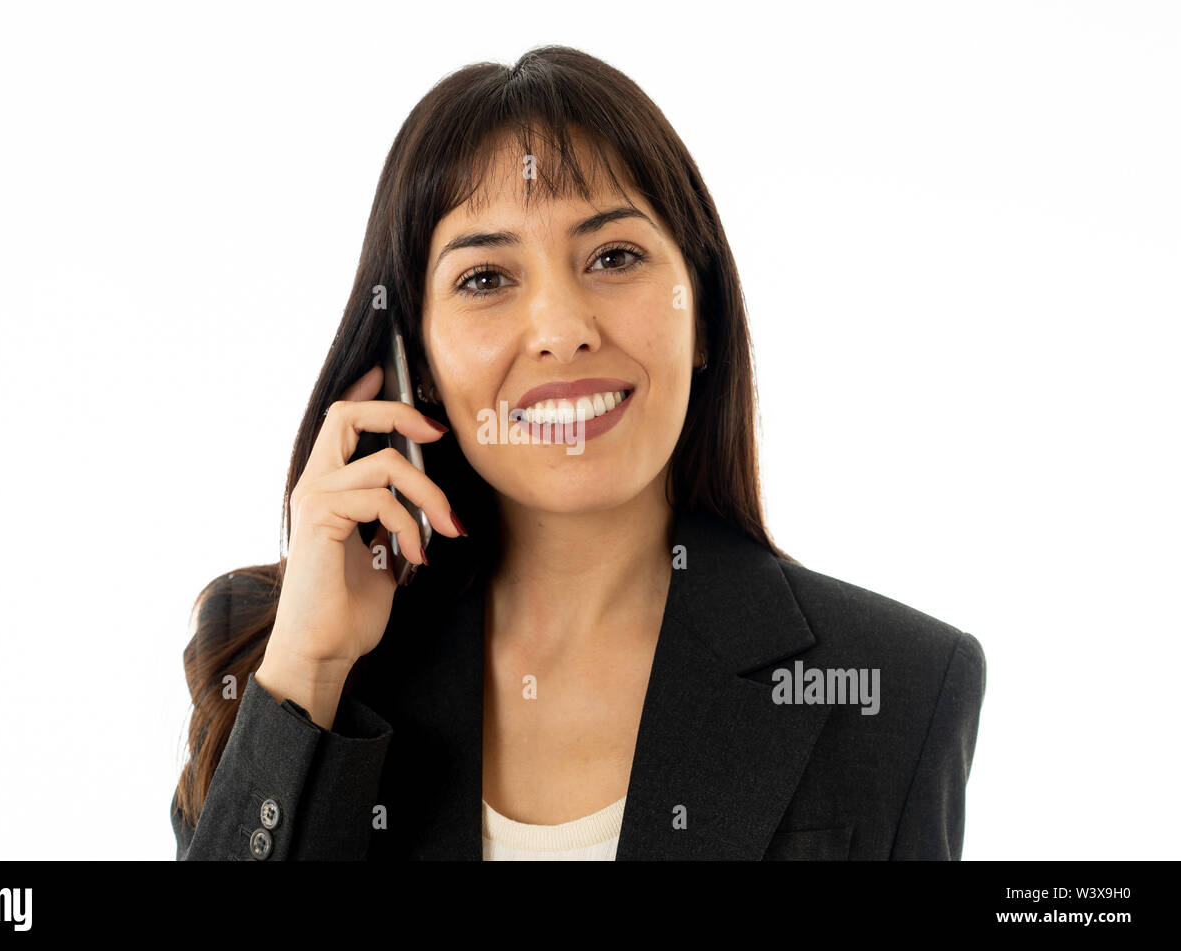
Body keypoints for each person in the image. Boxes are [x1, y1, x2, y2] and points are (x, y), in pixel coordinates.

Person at [172, 45, 986, 861]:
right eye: (486, 278)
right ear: (411, 360)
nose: (563, 330)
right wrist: (308, 674)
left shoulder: (901, 684)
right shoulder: (280, 653)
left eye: (613, 257)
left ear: (698, 313)